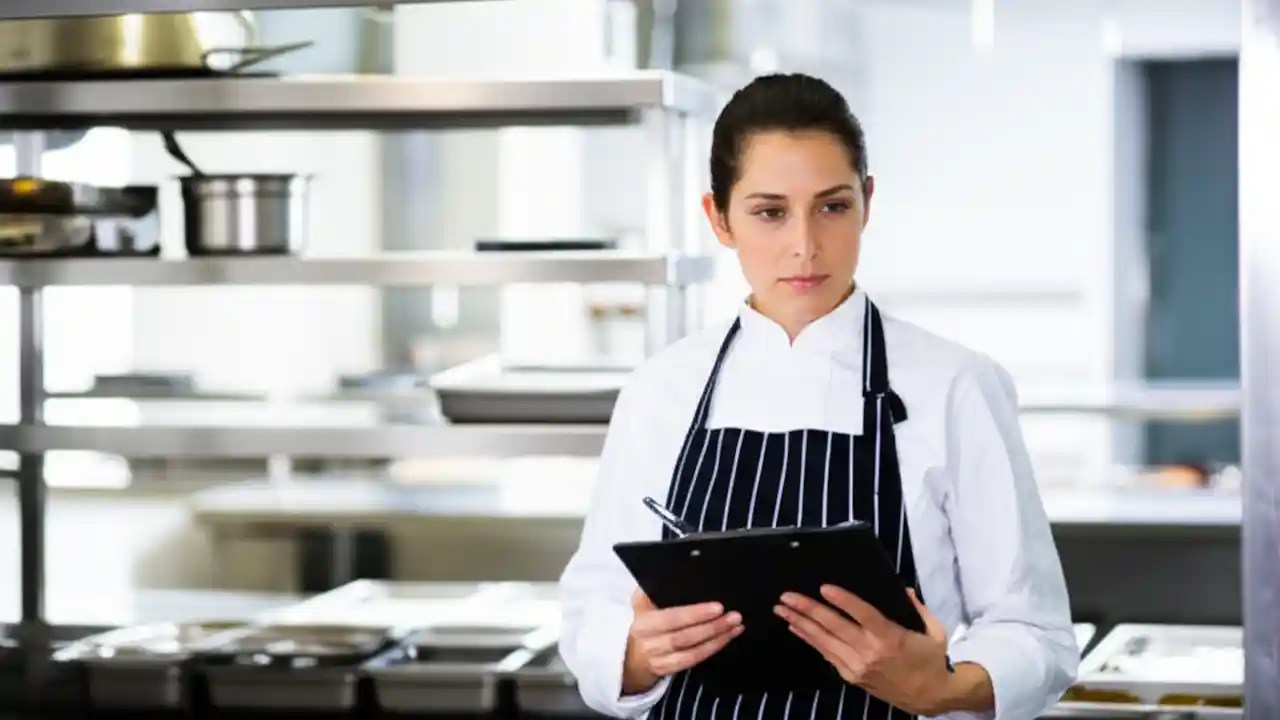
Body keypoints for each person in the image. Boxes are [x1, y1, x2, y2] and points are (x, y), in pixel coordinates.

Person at [558, 73, 1077, 720]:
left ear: (867, 201)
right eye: (769, 212)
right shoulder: (661, 389)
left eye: (832, 206)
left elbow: (1037, 634)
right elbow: (593, 609)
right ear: (718, 219)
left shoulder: (955, 385)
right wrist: (637, 655)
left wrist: (942, 689)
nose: (804, 244)